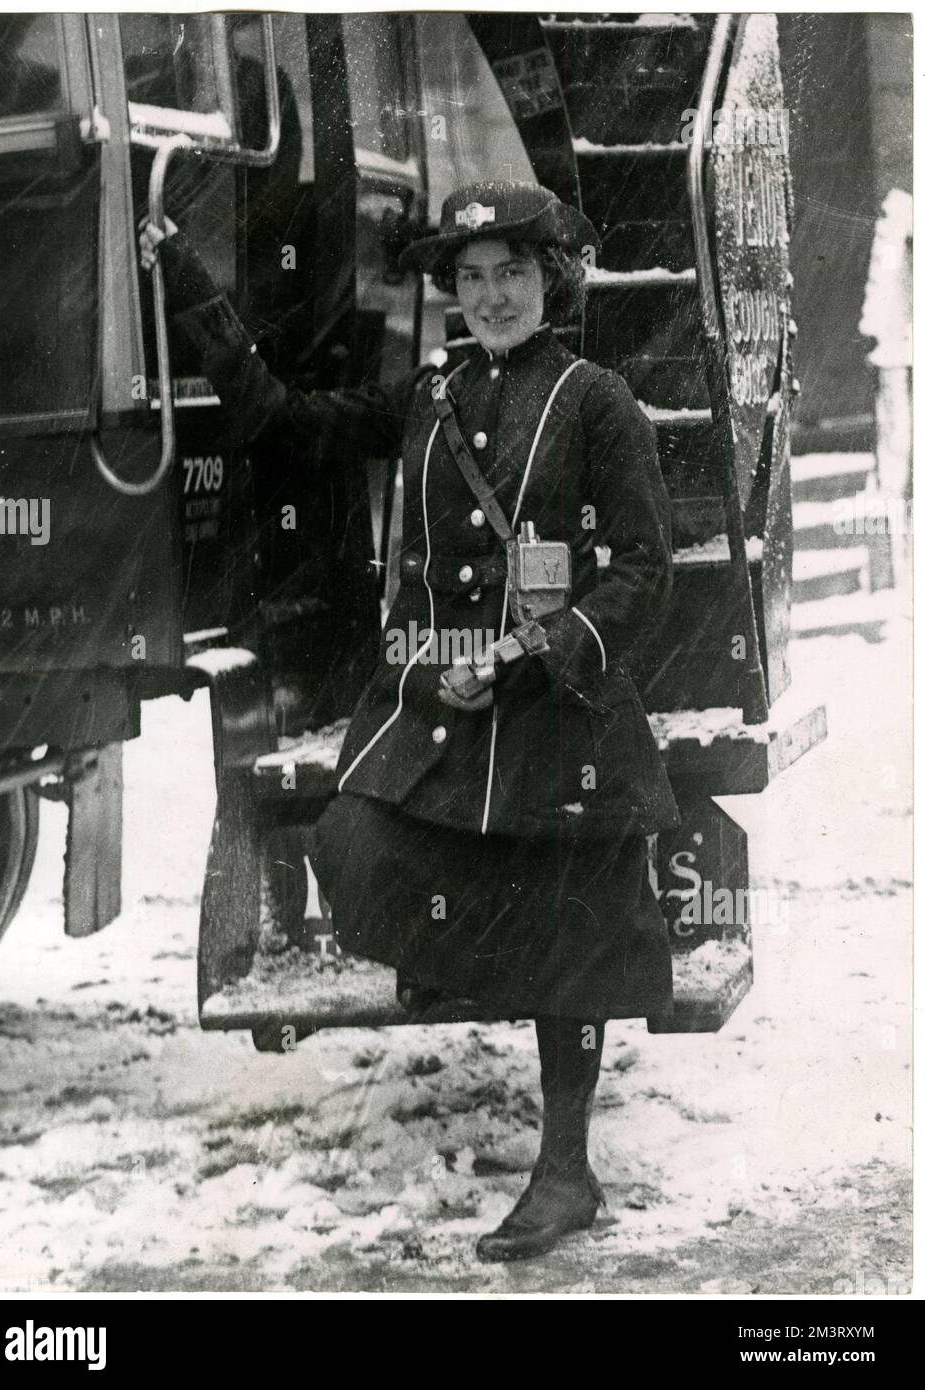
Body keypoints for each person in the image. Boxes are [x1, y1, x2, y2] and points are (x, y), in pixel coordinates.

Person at [141, 180, 680, 1262]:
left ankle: (565, 1167)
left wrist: (533, 648)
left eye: (512, 275)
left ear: (552, 281)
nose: (490, 296)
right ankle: (469, 962)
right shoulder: (429, 398)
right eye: (472, 279)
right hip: (437, 707)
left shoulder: (596, 401)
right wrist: (187, 285)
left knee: (570, 913)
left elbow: (641, 575)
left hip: (553, 707)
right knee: (352, 841)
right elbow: (278, 419)